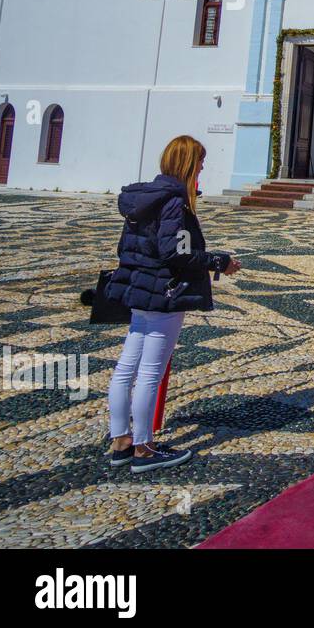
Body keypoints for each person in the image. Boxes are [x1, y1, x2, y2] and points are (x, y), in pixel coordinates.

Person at [105, 135, 239, 474]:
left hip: (141, 291)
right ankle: (144, 449)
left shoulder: (143, 198)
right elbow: (176, 252)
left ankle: (120, 440)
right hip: (165, 292)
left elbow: (128, 248)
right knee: (150, 371)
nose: (203, 169)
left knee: (126, 368)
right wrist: (217, 261)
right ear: (189, 164)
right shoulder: (174, 202)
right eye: (200, 163)